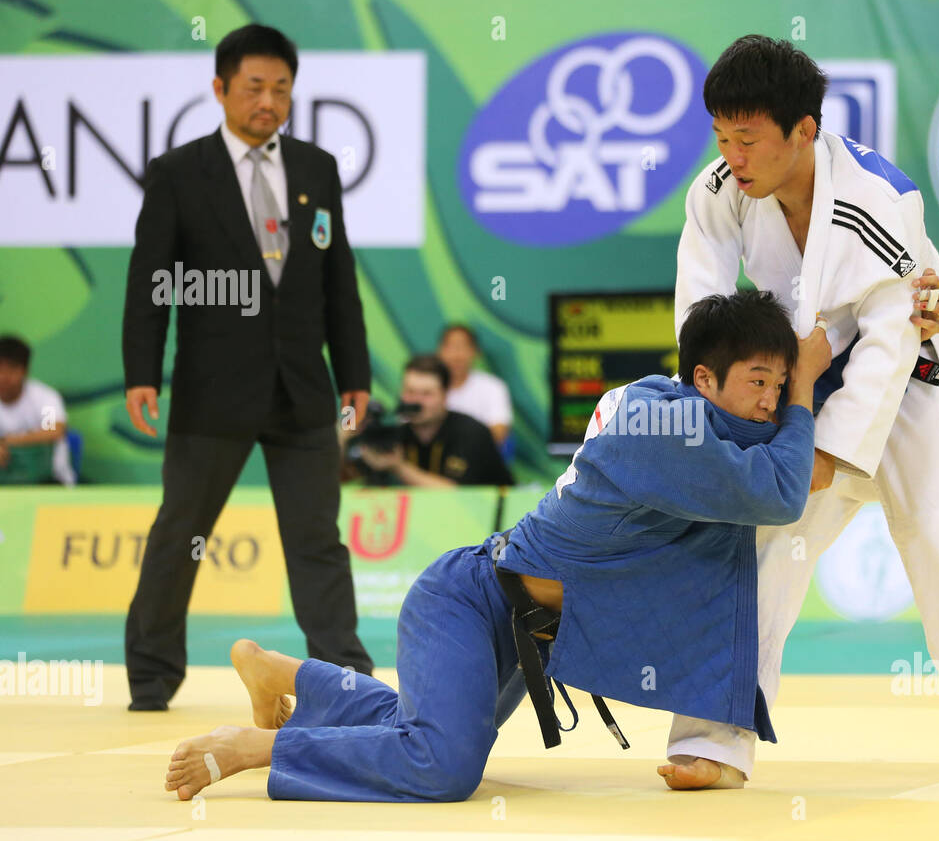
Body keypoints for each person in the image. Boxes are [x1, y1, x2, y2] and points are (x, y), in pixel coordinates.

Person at [164, 290, 831, 802]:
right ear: (705, 379)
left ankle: (288, 674)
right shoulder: (663, 424)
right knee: (441, 765)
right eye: (759, 381)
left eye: (778, 385)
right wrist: (806, 392)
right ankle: (255, 748)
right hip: (469, 599)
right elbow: (783, 492)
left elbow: (802, 474)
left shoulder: (690, 426)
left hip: (525, 630)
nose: (771, 402)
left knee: (414, 723)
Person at [661, 35, 939, 791]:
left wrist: (829, 453)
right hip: (795, 380)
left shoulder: (880, 196)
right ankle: (712, 740)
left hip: (906, 382)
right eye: (720, 137)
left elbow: (894, 330)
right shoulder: (717, 193)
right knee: (759, 546)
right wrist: (718, 409)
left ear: (803, 130)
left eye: (747, 138)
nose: (732, 156)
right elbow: (702, 309)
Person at [121, 24, 374, 711]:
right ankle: (150, 676)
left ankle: (344, 675)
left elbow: (338, 278)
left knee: (318, 538)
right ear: (220, 89)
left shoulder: (317, 168)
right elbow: (152, 280)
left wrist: (355, 371)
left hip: (303, 387)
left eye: (281, 87)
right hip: (210, 392)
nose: (269, 101)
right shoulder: (178, 173)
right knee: (183, 534)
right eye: (255, 87)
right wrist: (141, 370)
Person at [343, 354, 513, 487]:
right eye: (410, 392)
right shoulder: (396, 432)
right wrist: (343, 435)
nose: (416, 401)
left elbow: (457, 496)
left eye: (426, 394)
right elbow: (343, 478)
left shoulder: (471, 432)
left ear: (445, 396)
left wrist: (398, 467)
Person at [0, 335, 75, 485]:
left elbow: (52, 431)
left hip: (48, 482)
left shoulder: (45, 398)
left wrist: (6, 442)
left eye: (11, 368)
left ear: (24, 370)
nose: (3, 376)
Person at [436, 324, 513, 447]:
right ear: (440, 351)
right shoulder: (428, 387)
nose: (456, 355)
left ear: (475, 352)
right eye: (450, 347)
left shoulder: (493, 387)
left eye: (463, 347)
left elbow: (499, 433)